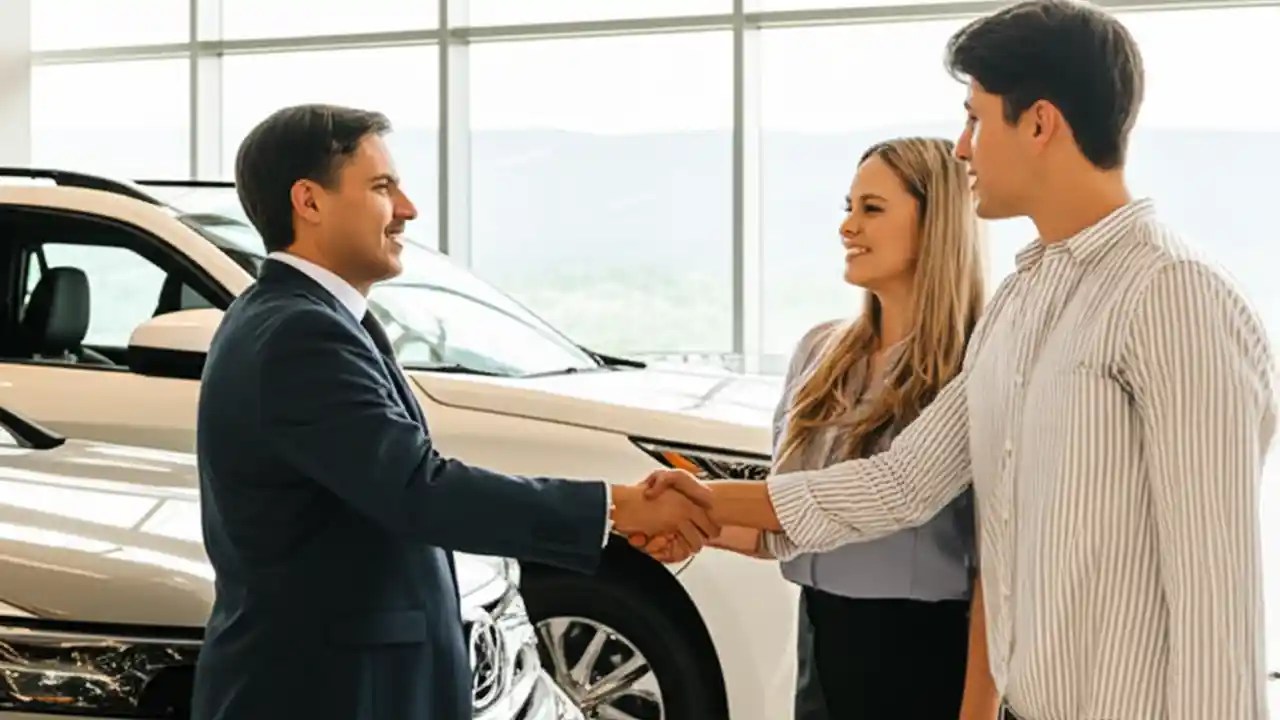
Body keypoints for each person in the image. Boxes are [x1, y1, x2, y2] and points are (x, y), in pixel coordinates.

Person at [639, 1, 1278, 718]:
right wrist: (699, 500)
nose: (963, 148)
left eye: (975, 118)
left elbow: (1218, 605)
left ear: (1039, 123)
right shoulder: (1019, 304)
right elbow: (899, 484)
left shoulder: (1175, 296)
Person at [190, 103, 718, 720]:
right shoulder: (298, 334)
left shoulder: (299, 317)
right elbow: (417, 489)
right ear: (309, 201)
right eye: (382, 187)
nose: (408, 209)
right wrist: (618, 506)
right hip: (332, 687)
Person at [686, 137, 989, 718]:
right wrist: (688, 522)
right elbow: (787, 526)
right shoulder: (819, 352)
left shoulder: (978, 363)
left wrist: (978, 708)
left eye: (872, 209)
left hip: (925, 658)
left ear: (937, 223)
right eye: (847, 208)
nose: (848, 227)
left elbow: (996, 572)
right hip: (820, 641)